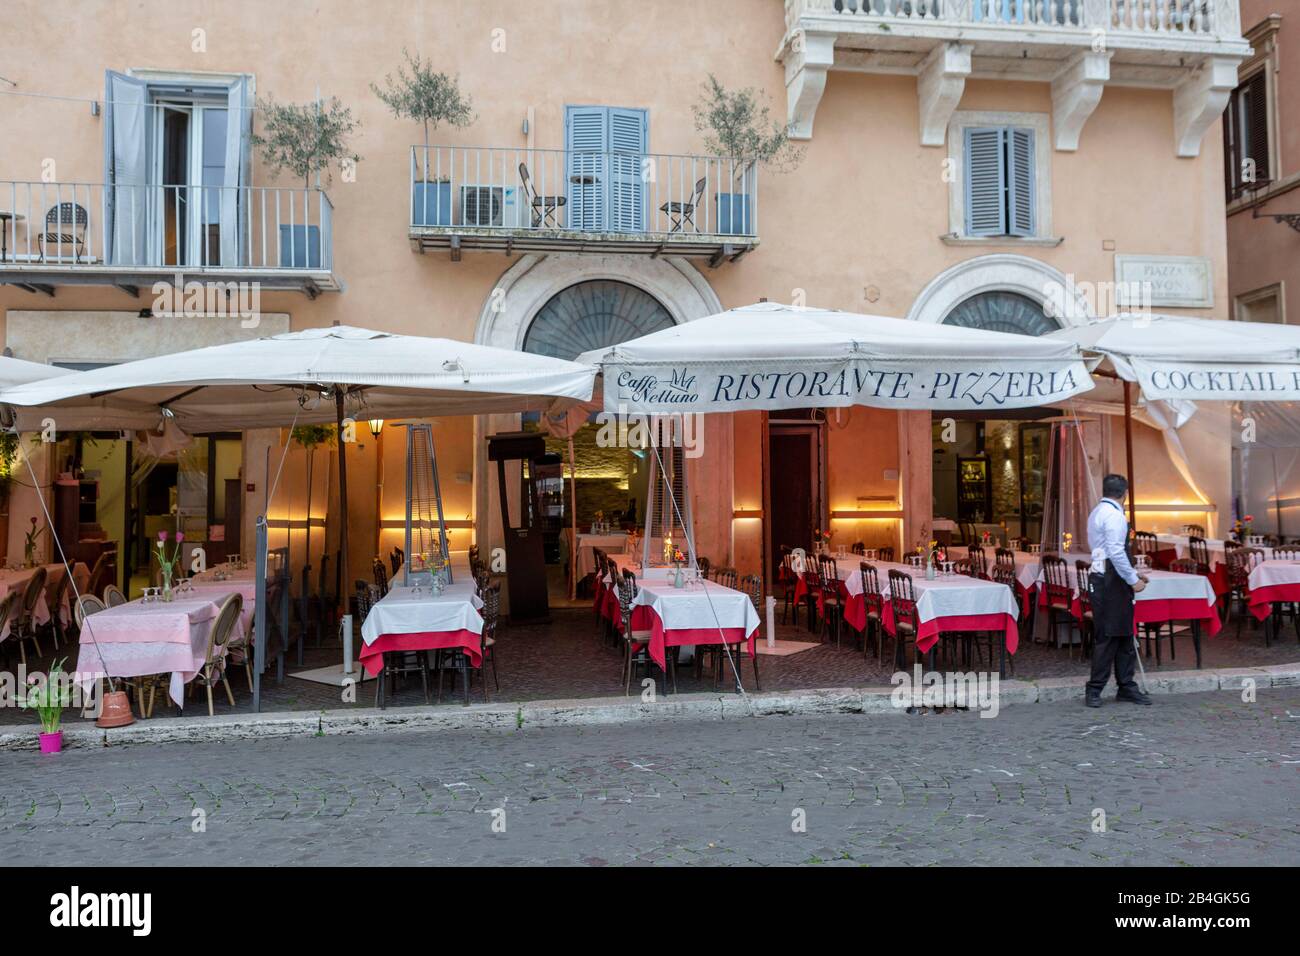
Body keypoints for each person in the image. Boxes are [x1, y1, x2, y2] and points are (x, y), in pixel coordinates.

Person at [1084, 474, 1152, 708]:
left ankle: (1126, 686)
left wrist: (1131, 574)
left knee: (1124, 634)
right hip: (1110, 581)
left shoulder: (1097, 512)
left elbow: (1105, 551)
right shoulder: (1114, 516)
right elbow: (1115, 550)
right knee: (1109, 635)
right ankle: (1095, 688)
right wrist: (1133, 580)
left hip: (1106, 576)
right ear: (1125, 494)